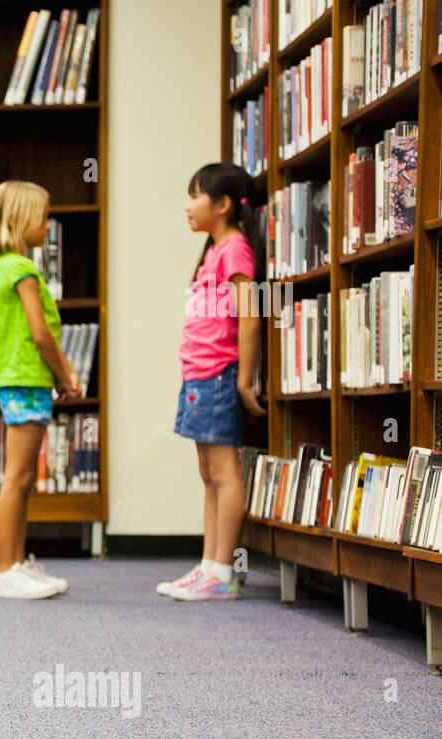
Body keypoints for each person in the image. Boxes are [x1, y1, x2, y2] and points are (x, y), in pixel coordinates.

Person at [158, 162, 266, 601]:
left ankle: (223, 572)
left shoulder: (235, 249)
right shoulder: (213, 251)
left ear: (222, 205)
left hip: (220, 375)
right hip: (199, 375)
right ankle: (208, 565)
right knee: (208, 473)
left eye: (194, 196)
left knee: (224, 472)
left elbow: (250, 316)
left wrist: (243, 382)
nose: (187, 206)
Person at [0, 180, 81, 600]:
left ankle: (16, 563)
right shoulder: (22, 268)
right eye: (42, 215)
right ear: (17, 221)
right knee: (17, 477)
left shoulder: (10, 265)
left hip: (24, 378)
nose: (48, 223)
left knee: (21, 479)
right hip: (25, 376)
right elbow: (41, 334)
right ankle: (5, 569)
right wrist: (67, 373)